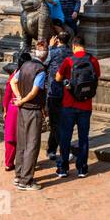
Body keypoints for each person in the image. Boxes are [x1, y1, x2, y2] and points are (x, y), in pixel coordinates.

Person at [55, 34, 100, 178]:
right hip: (86, 105)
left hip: (68, 104)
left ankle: (63, 168)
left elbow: (57, 77)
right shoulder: (93, 60)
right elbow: (96, 77)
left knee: (65, 137)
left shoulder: (68, 61)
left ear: (73, 46)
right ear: (84, 45)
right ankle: (82, 168)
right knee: (83, 138)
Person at [11, 40, 49, 191]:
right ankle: (26, 180)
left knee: (22, 142)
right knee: (32, 144)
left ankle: (18, 174)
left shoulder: (25, 65)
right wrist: (24, 99)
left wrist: (19, 97)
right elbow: (34, 91)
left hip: (22, 110)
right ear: (45, 56)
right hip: (32, 109)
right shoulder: (40, 70)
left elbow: (13, 82)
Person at [44, 32, 70, 164]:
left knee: (55, 123)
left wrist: (50, 47)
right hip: (66, 92)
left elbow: (45, 64)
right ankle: (51, 149)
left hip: (53, 91)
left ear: (57, 40)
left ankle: (63, 149)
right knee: (59, 122)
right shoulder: (71, 53)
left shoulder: (53, 52)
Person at [2, 52, 27, 171]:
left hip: (13, 107)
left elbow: (7, 95)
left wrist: (5, 110)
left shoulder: (14, 75)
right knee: (24, 139)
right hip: (26, 108)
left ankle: (9, 162)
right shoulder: (31, 75)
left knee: (11, 138)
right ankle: (22, 163)